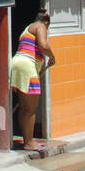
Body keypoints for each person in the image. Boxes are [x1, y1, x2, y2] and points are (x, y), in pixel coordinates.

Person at [9, 10, 56, 153]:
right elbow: (43, 45)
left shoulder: (27, 29)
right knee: (30, 108)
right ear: (46, 23)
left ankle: (27, 140)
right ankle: (29, 143)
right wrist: (52, 57)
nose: (46, 30)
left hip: (17, 64)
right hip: (27, 67)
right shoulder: (40, 26)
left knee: (24, 107)